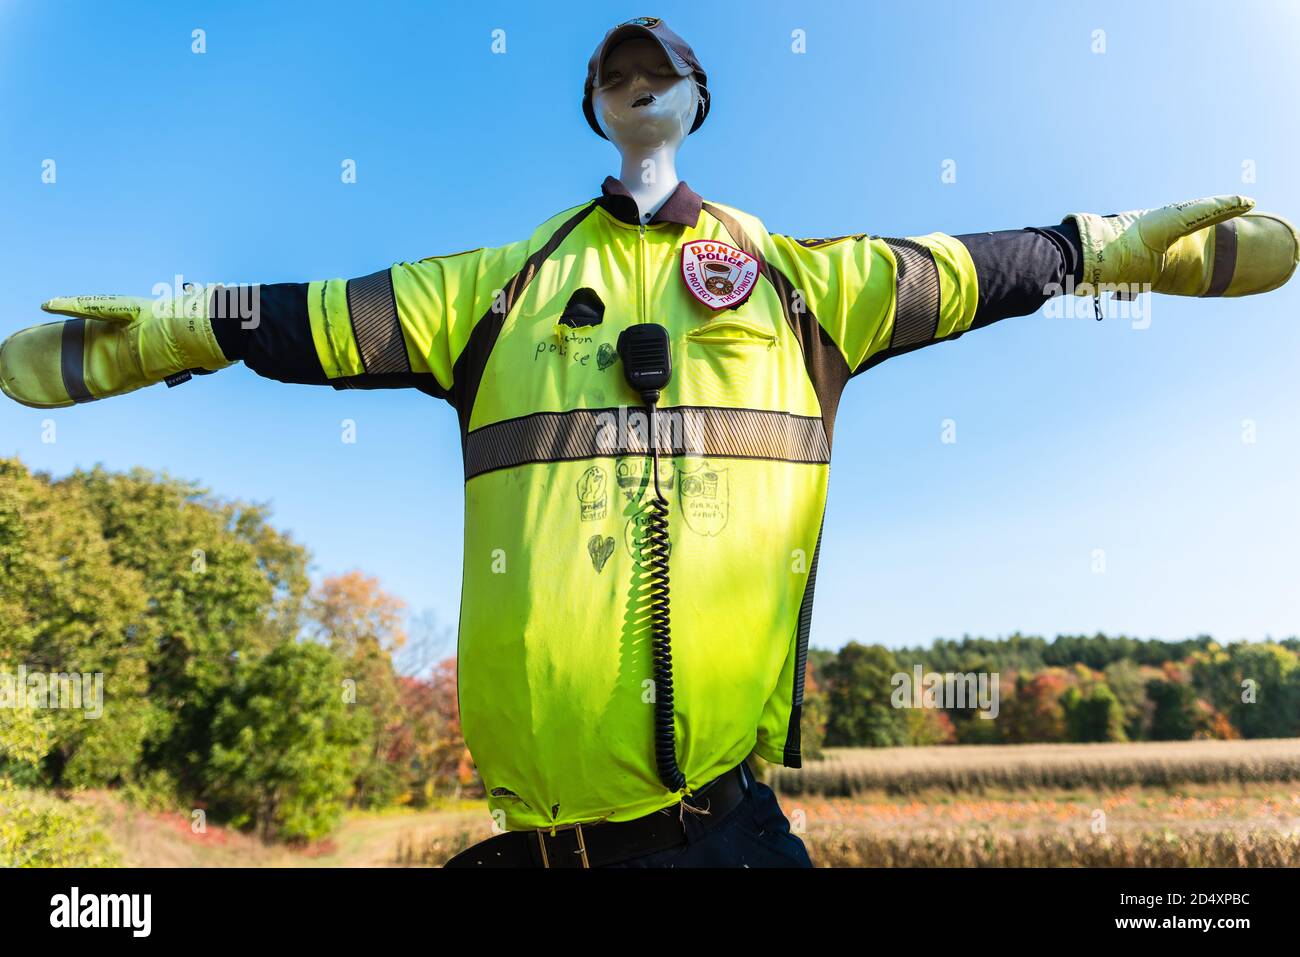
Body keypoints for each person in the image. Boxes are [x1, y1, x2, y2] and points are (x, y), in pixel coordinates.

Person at [1, 16, 1295, 869]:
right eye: (613, 76)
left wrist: (1109, 247)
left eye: (656, 71)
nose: (635, 86)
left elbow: (963, 268)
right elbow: (327, 320)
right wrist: (177, 327)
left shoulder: (796, 280)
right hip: (530, 844)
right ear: (593, 106)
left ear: (695, 98)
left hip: (718, 840)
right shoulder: (502, 286)